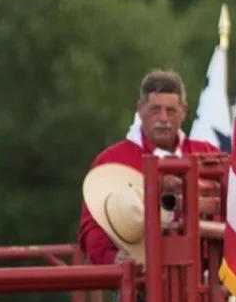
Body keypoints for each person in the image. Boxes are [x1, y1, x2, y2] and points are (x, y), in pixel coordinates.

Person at [78, 69, 221, 269]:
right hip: (139, 286)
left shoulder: (208, 154)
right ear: (140, 109)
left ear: (184, 111)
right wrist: (112, 258)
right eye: (155, 110)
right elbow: (93, 227)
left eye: (171, 111)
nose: (163, 118)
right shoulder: (111, 161)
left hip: (203, 281)